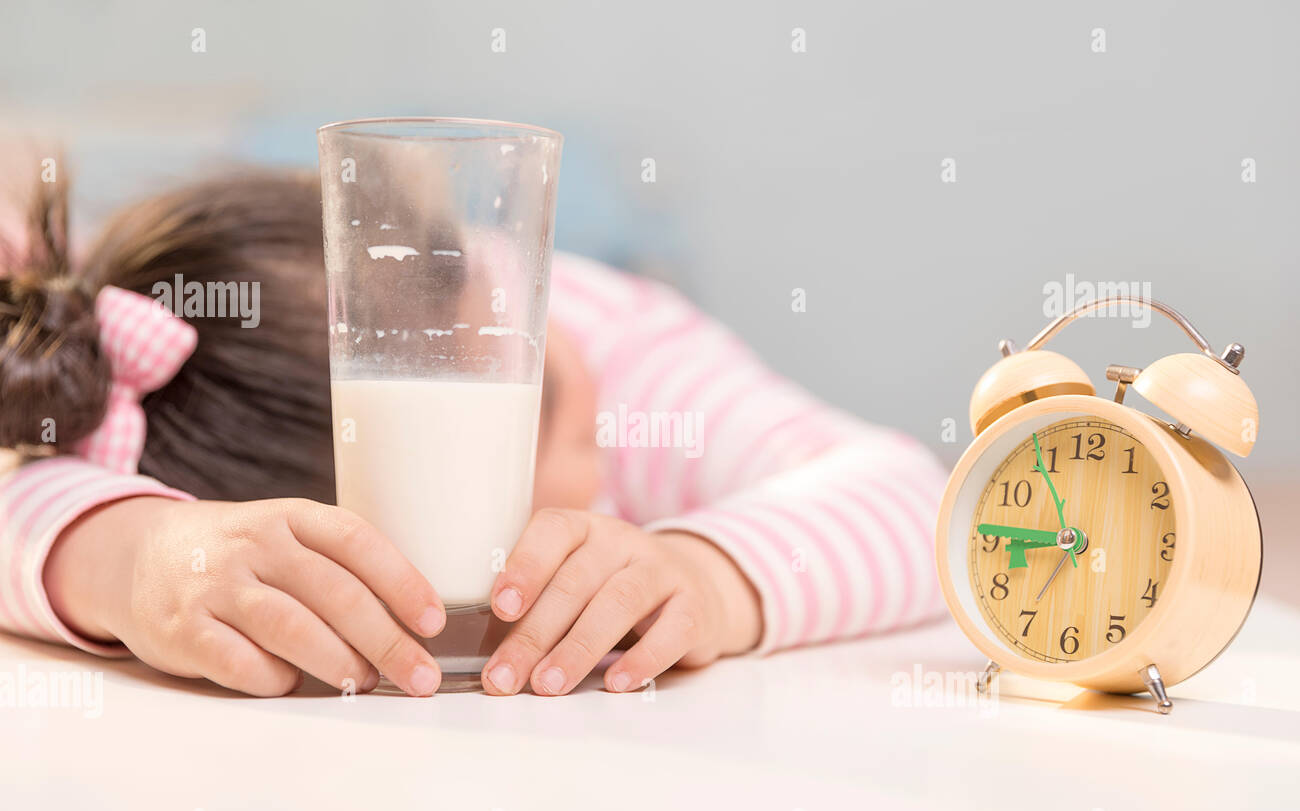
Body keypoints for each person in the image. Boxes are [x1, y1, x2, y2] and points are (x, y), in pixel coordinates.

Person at [0, 170, 947, 697]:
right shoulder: (107, 397)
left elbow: (916, 499)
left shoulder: (611, 357)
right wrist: (129, 556)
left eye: (537, 393)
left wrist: (707, 575)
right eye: (520, 439)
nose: (559, 395)